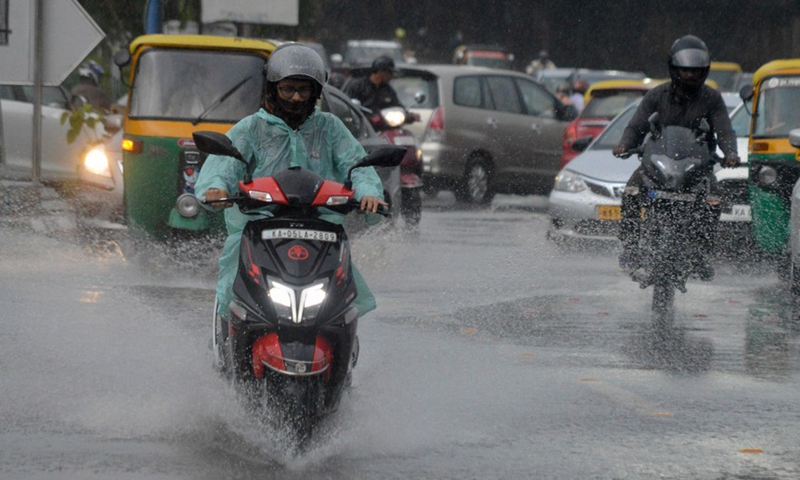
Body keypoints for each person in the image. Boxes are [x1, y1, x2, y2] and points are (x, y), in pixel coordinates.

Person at [194, 43, 386, 321]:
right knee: (234, 276)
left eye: (304, 90)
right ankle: (229, 328)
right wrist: (215, 188)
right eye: (288, 89)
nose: (296, 97)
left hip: (320, 227)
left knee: (342, 299)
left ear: (315, 92)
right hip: (259, 225)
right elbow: (224, 165)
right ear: (273, 89)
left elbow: (356, 165)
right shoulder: (252, 128)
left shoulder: (330, 127)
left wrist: (369, 193)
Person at [612, 34, 740, 280]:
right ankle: (629, 247)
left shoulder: (712, 98)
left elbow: (724, 130)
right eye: (684, 71)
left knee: (714, 198)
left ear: (704, 71)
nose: (690, 76)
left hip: (697, 169)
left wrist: (731, 153)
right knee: (632, 191)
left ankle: (701, 253)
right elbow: (636, 126)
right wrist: (625, 145)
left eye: (695, 71)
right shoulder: (656, 95)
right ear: (673, 69)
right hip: (658, 165)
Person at [345, 55, 419, 122]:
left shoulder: (388, 91)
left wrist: (408, 115)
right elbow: (347, 106)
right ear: (381, 72)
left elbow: (397, 106)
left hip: (384, 128)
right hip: (362, 126)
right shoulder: (359, 87)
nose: (391, 76)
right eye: (389, 73)